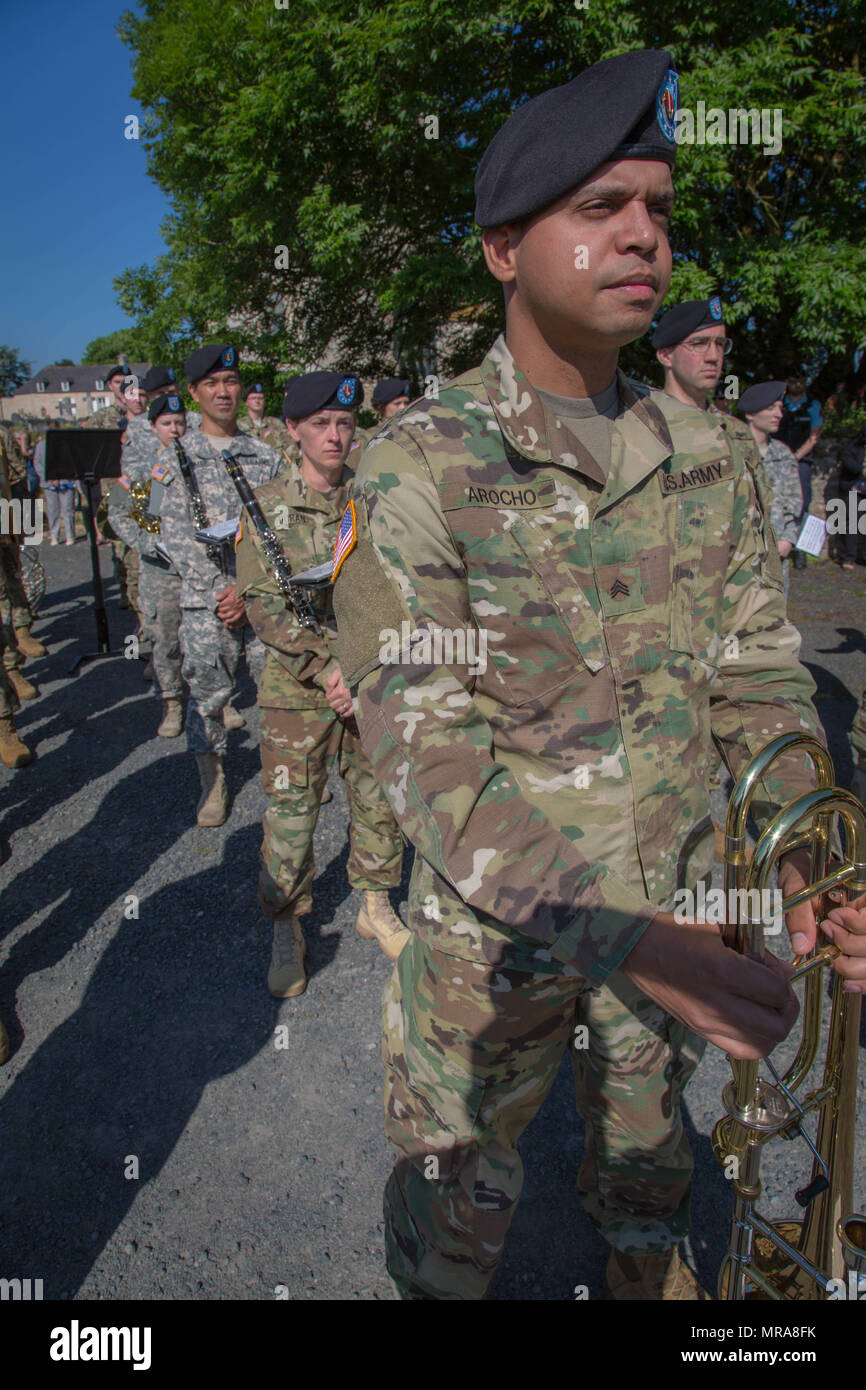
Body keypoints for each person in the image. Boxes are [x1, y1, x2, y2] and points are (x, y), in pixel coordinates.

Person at [332, 48, 866, 1302]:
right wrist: (629, 939)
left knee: (647, 1160)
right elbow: (426, 752)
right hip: (498, 953)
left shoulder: (709, 454)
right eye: (598, 206)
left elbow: (757, 681)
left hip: (678, 904)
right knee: (451, 1210)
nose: (642, 237)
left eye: (659, 210)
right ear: (502, 250)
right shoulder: (418, 465)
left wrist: (809, 860)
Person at [235, 371, 408, 998]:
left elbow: (392, 590)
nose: (335, 436)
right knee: (291, 812)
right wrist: (329, 669)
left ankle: (375, 901)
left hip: (368, 678)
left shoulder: (373, 497)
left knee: (378, 795)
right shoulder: (262, 505)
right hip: (297, 692)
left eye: (343, 424)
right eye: (319, 426)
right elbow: (263, 605)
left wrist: (361, 667)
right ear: (292, 431)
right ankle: (288, 925)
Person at [133, 344, 283, 825]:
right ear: (194, 393)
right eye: (212, 384)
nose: (225, 391)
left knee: (279, 690)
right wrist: (212, 583)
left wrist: (247, 586)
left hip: (258, 599)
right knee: (208, 696)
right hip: (203, 603)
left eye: (232, 381)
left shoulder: (267, 457)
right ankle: (213, 781)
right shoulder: (170, 459)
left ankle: (282, 773)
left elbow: (283, 528)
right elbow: (145, 520)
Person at [108, 393, 188, 737]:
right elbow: (116, 511)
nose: (174, 429)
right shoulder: (139, 471)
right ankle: (172, 703)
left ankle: (221, 702)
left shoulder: (201, 464)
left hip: (198, 566)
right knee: (165, 639)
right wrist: (144, 544)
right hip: (160, 568)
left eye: (180, 423)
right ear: (153, 427)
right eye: (167, 424)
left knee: (209, 640)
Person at [651, 295, 773, 508]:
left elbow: (760, 515)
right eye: (699, 344)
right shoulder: (643, 427)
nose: (713, 356)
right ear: (665, 355)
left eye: (720, 344)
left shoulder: (738, 434)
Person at [737, 381, 803, 596]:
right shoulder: (731, 453)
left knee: (775, 621)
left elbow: (794, 502)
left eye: (780, 408)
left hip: (776, 556)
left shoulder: (784, 455)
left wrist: (789, 540)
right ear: (750, 413)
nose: (779, 414)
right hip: (738, 556)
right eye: (770, 408)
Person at [775, 370, 823, 569]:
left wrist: (794, 458)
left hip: (800, 461)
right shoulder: (780, 403)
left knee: (802, 504)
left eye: (801, 380)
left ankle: (800, 549)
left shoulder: (813, 405)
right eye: (793, 380)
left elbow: (814, 437)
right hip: (776, 460)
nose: (797, 384)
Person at [239, 382, 293, 455]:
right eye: (253, 398)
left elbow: (290, 446)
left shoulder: (276, 423)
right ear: (246, 402)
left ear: (264, 402)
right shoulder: (239, 426)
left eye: (260, 398)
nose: (257, 401)